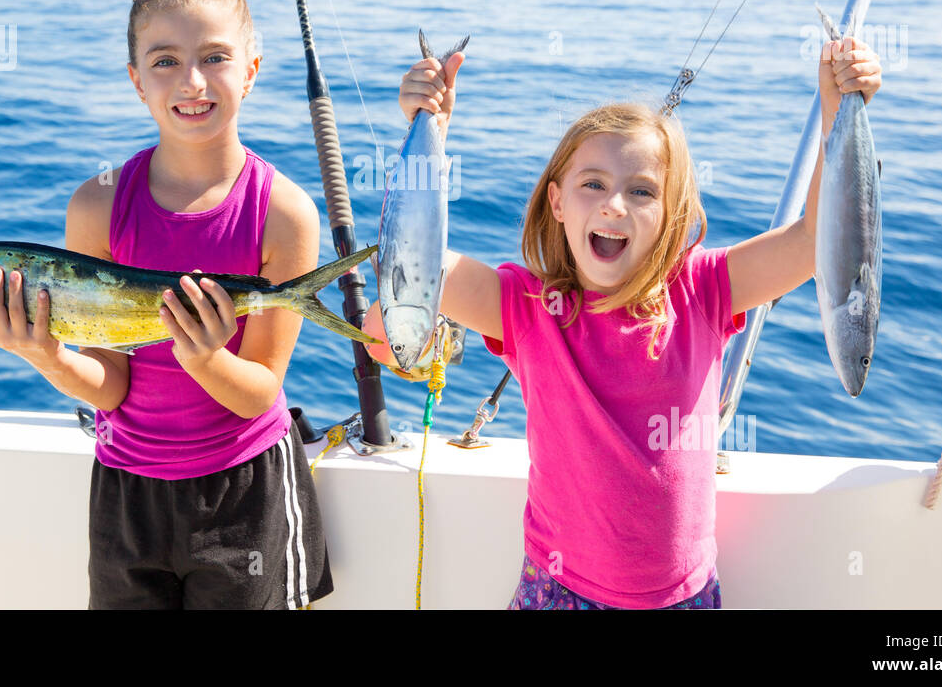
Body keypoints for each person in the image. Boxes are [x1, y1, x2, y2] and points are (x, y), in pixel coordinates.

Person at [366, 35, 881, 609]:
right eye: (593, 184)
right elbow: (408, 276)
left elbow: (815, 239)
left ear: (671, 215)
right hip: (557, 591)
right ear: (557, 203)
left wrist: (838, 106)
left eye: (641, 191)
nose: (614, 204)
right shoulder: (526, 306)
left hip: (683, 598)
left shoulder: (705, 290)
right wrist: (429, 129)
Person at [0, 0, 334, 609]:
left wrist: (205, 358)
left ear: (251, 68)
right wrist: (45, 353)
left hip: (244, 491)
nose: (192, 82)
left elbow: (258, 394)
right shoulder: (97, 205)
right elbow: (111, 384)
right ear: (136, 80)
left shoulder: (284, 213)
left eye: (215, 57)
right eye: (165, 60)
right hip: (126, 491)